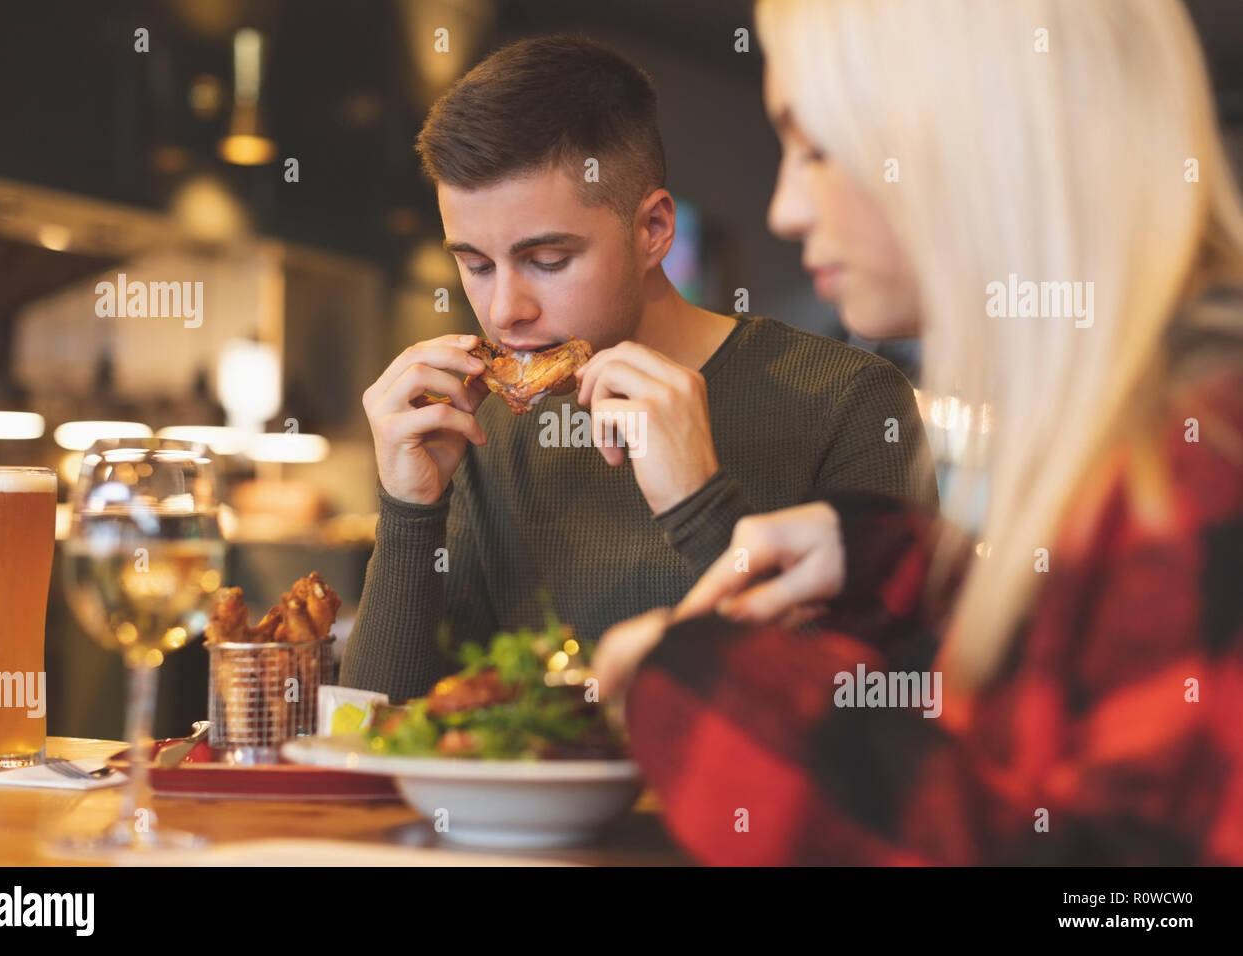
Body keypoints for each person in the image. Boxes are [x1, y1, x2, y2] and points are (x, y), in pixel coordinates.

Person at [594, 0, 1243, 865]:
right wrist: (893, 567)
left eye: (818, 148)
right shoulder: (1150, 428)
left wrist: (706, 683)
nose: (786, 207)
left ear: (984, 136)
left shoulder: (1202, 450)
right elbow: (1060, 722)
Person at [340, 35, 937, 700]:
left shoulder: (849, 402)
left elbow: (893, 715)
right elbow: (375, 731)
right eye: (476, 265)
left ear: (652, 229)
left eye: (548, 260)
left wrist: (702, 505)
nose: (505, 311)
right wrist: (408, 511)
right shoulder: (479, 430)